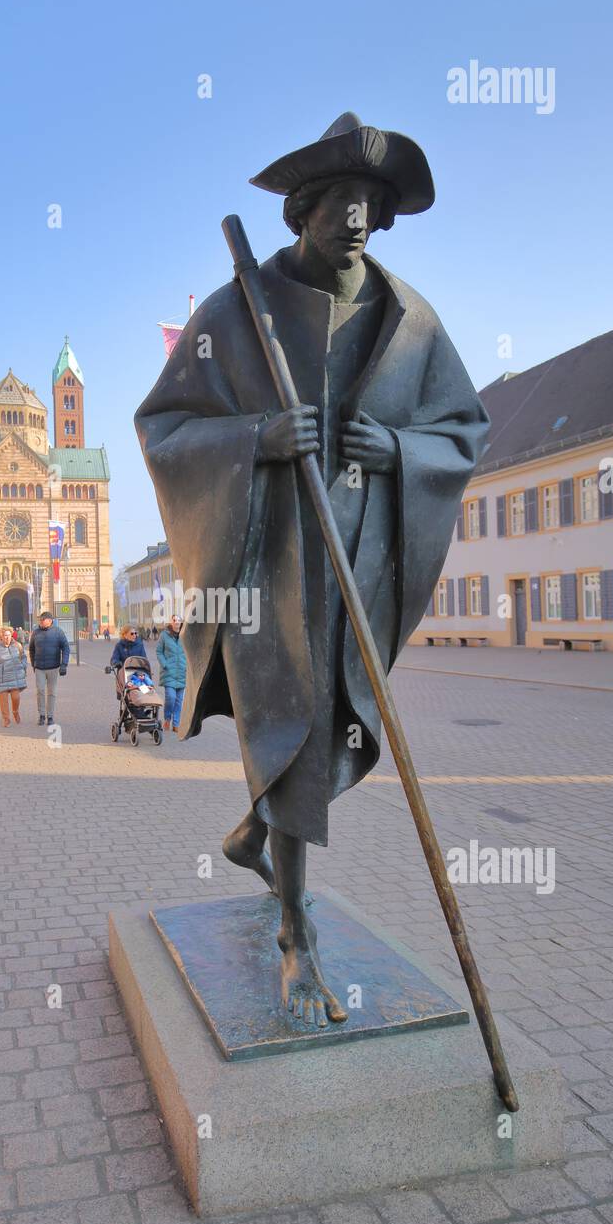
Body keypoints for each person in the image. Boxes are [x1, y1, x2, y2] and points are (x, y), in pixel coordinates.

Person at [135, 111, 489, 1027]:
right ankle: (297, 933)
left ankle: (257, 834)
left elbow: (461, 429)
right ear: (302, 210)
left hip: (359, 563)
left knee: (325, 730)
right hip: (268, 571)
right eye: (340, 201)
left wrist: (399, 448)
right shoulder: (235, 309)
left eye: (372, 203)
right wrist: (257, 439)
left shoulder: (410, 322)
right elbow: (164, 427)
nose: (358, 218)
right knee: (291, 723)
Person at [28, 611, 70, 727]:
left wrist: (64, 664)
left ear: (50, 621)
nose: (41, 622)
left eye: (43, 620)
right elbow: (31, 649)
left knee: (52, 692)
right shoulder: (36, 633)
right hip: (39, 668)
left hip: (53, 667)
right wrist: (33, 664)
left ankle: (50, 716)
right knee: (40, 691)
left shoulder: (58, 632)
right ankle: (41, 715)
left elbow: (66, 648)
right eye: (40, 620)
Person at [0, 627, 27, 727]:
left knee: (16, 697)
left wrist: (23, 666)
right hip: (2, 677)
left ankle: (15, 711)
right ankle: (6, 719)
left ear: (11, 635)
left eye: (8, 635)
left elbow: (23, 657)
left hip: (15, 676)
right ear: (1, 636)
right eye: (5, 636)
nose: (7, 638)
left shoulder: (17, 645)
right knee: (3, 700)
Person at [156, 615, 187, 733]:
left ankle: (176, 724)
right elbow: (159, 651)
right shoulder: (164, 635)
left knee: (179, 700)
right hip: (169, 671)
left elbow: (190, 650)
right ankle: (167, 718)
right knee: (171, 697)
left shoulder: (185, 635)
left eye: (179, 620)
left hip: (182, 672)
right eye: (174, 620)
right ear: (171, 622)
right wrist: (165, 664)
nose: (177, 622)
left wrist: (188, 666)